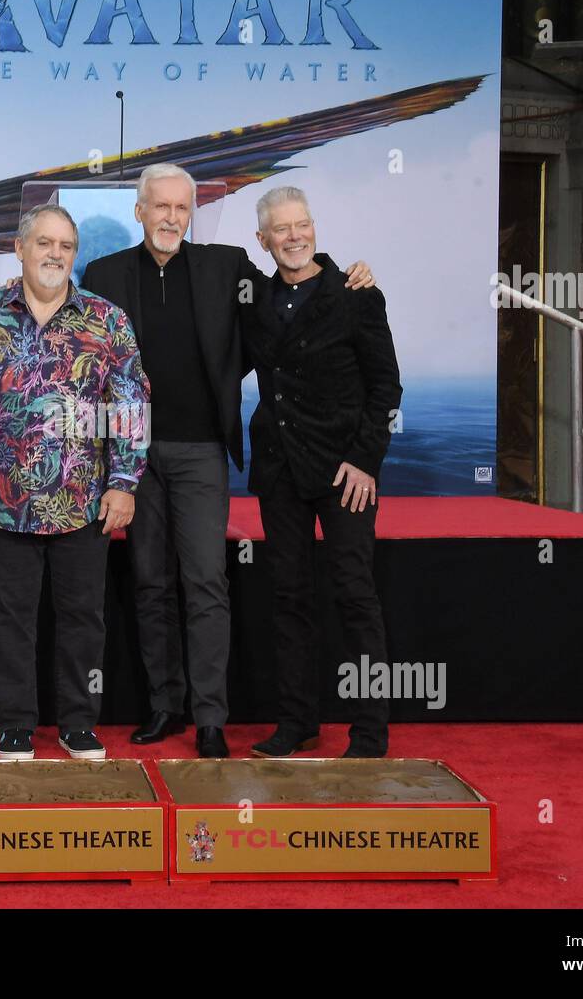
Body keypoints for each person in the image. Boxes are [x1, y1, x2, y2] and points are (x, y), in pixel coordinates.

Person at [82, 164, 374, 757]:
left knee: (206, 581)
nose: (171, 218)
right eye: (160, 207)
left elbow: (294, 286)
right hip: (130, 457)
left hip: (200, 450)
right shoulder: (103, 275)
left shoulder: (226, 266)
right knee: (149, 583)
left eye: (181, 209)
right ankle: (166, 707)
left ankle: (211, 717)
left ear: (192, 215)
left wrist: (350, 277)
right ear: (139, 212)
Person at [0, 203, 150, 761]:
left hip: (84, 499)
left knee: (83, 619)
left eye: (65, 246)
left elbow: (132, 404)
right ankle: (16, 724)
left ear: (74, 255)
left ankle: (77, 723)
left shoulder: (107, 320)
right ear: (19, 249)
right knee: (9, 618)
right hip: (4, 499)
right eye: (43, 243)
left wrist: (124, 481)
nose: (54, 254)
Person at [240, 185, 402, 759]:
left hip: (344, 473)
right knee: (289, 597)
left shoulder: (356, 294)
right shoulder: (253, 301)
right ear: (262, 240)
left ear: (314, 228)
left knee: (356, 596)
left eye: (301, 224)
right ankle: (297, 723)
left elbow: (386, 386)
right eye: (280, 229)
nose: (293, 236)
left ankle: (369, 732)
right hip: (281, 470)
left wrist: (365, 460)